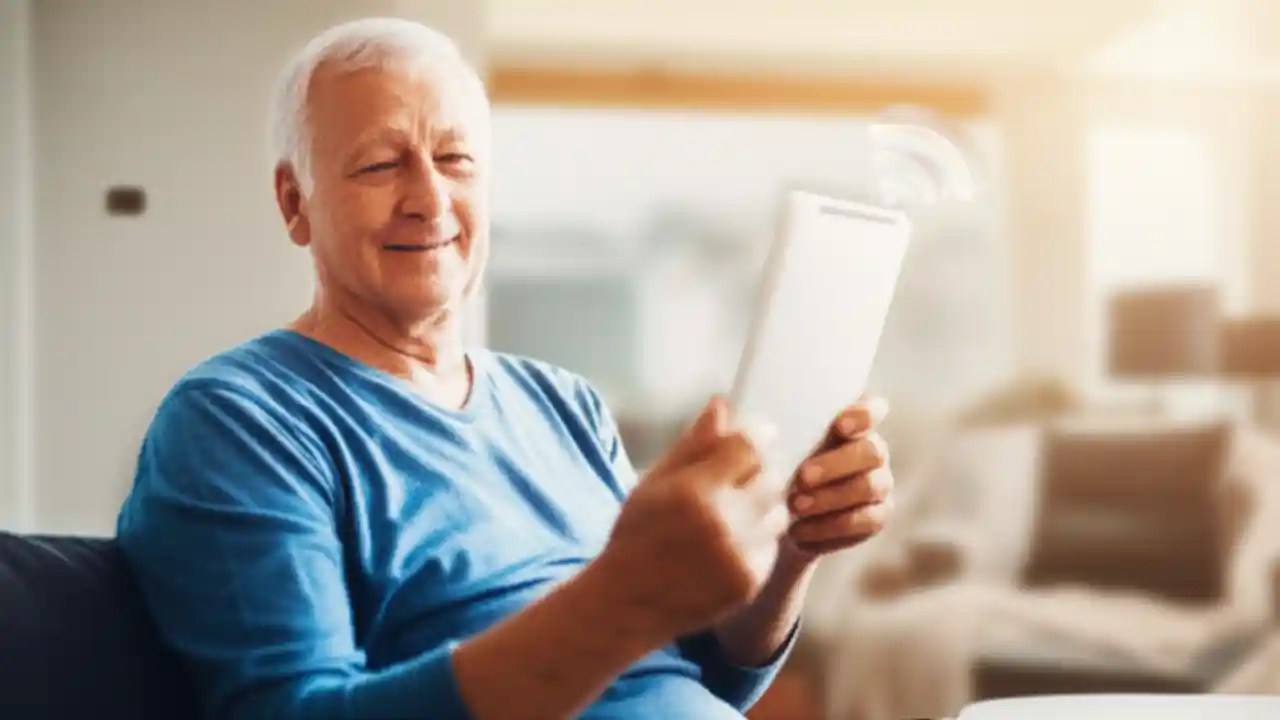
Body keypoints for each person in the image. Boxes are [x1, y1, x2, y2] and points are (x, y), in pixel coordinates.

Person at [116, 17, 895, 720]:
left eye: (455, 160)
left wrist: (792, 546)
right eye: (381, 165)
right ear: (296, 203)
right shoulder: (239, 420)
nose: (429, 199)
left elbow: (692, 678)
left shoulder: (565, 405)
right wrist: (622, 597)